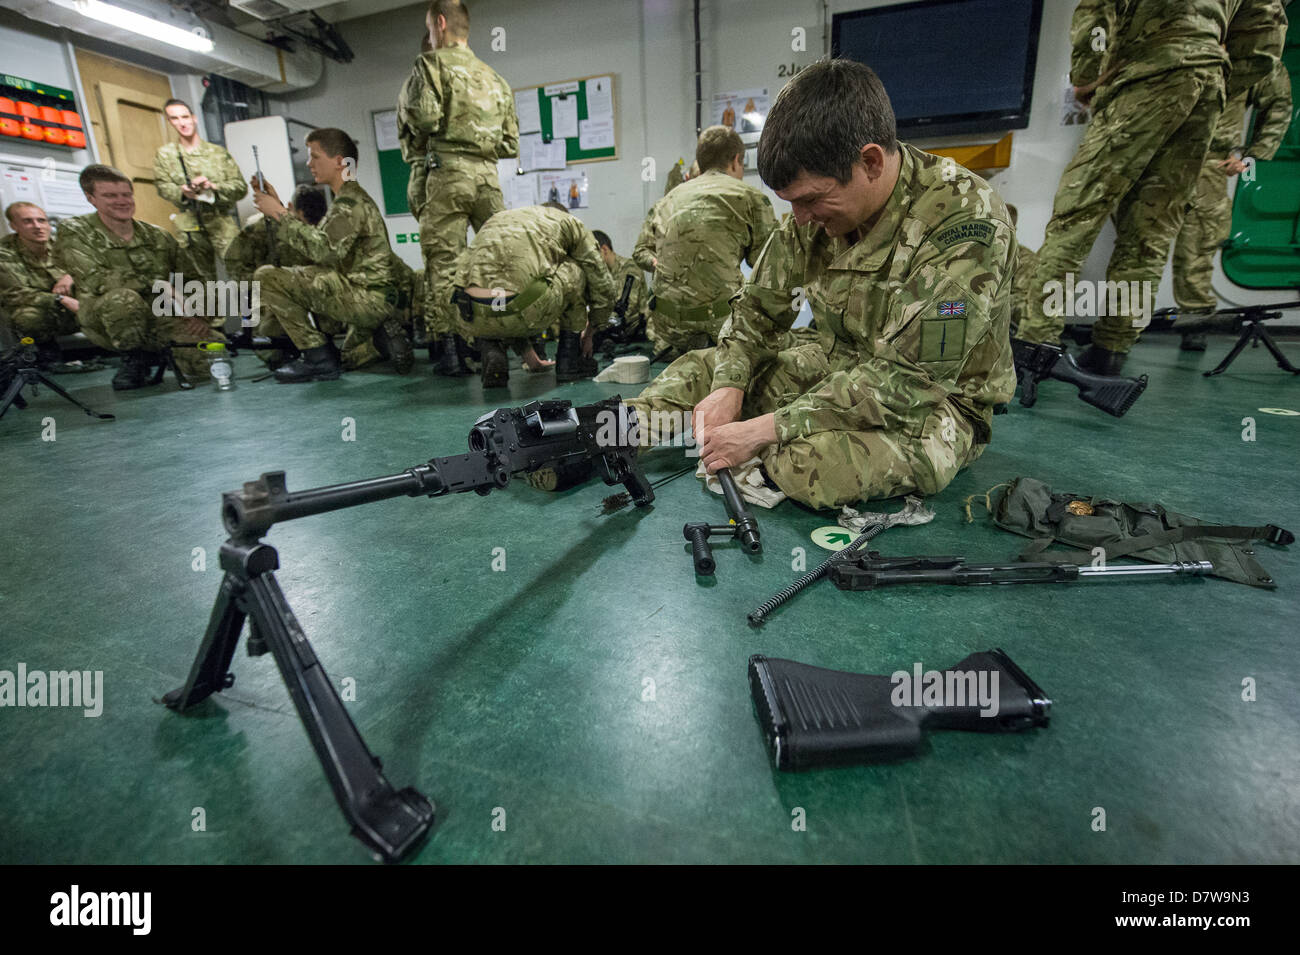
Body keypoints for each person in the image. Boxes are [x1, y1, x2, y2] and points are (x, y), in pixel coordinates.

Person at [621, 59, 1016, 510]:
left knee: (808, 465)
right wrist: (729, 387)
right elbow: (755, 313)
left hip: (935, 402)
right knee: (703, 372)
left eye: (811, 199)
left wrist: (764, 428)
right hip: (835, 363)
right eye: (791, 203)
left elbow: (910, 380)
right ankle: (599, 439)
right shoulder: (814, 213)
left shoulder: (964, 219)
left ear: (869, 162)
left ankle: (768, 455)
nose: (801, 219)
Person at [1014, 0, 1286, 381]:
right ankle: (1111, 349)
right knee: (1152, 232)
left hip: (1144, 74)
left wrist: (1087, 76)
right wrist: (1217, 74)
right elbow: (1265, 38)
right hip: (1208, 90)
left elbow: (1094, 9)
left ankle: (1034, 347)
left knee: (1076, 217)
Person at [397, 0, 519, 374]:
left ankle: (451, 352)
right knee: (496, 261)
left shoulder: (429, 64)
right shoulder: (496, 78)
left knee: (444, 263)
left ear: (440, 22)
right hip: (488, 178)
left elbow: (426, 117)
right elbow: (510, 144)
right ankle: (494, 341)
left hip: (447, 173)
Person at [251, 128, 412, 381]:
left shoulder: (350, 204)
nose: (309, 163)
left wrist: (279, 214)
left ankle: (317, 357)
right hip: (369, 297)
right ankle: (376, 341)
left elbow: (322, 251)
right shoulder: (347, 200)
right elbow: (319, 244)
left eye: (315, 156)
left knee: (267, 277)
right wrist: (278, 205)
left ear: (338, 161)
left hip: (365, 299)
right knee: (347, 358)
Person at [54, 165, 215, 389]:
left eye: (126, 195)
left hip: (157, 312)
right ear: (91, 198)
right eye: (110, 195)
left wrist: (199, 315)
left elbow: (191, 278)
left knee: (212, 357)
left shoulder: (157, 235)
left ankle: (160, 352)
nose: (122, 201)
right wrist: (161, 286)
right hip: (106, 316)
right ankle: (134, 359)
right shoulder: (75, 231)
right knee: (124, 299)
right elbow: (96, 279)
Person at [1171, 58, 1292, 350]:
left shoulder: (1252, 50)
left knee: (1200, 241)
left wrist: (1252, 155)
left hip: (1210, 160)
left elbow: (1279, 101)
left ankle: (1196, 318)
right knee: (1137, 245)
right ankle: (1120, 326)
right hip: (1153, 152)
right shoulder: (1177, 35)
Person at [633, 126, 776, 356]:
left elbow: (640, 250)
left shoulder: (666, 200)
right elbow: (768, 266)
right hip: (720, 322)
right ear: (736, 160)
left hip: (668, 326)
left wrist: (662, 265)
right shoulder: (750, 197)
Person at [453, 201, 615, 387]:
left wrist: (530, 357)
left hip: (469, 314)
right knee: (575, 269)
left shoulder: (498, 219)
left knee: (501, 287)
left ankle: (492, 348)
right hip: (519, 309)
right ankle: (569, 360)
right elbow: (602, 283)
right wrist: (591, 331)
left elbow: (502, 297)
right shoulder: (569, 222)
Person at [152, 98, 247, 301]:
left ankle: (256, 326)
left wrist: (214, 187)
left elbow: (240, 188)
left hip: (221, 219)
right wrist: (182, 191)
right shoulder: (165, 155)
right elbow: (162, 186)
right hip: (189, 223)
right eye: (175, 118)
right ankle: (214, 329)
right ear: (170, 122)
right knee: (199, 282)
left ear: (194, 118)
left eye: (185, 116)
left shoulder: (218, 153)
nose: (182, 122)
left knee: (242, 273)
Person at [0, 202, 79, 365]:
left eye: (42, 221)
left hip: (75, 307)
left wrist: (70, 275)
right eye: (28, 221)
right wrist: (60, 299)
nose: (37, 226)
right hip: (44, 311)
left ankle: (130, 354)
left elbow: (92, 269)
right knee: (28, 317)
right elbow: (16, 293)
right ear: (14, 226)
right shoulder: (5, 253)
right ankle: (48, 355)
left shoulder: (63, 246)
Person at [591, 229, 649, 342]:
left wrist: (592, 327)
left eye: (591, 255)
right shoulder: (600, 273)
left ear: (604, 249)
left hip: (632, 333)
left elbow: (623, 312)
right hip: (609, 331)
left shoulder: (630, 269)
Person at [1005, 203, 1038, 335]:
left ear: (1013, 230)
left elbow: (1021, 299)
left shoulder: (1025, 258)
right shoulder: (981, 252)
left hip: (1007, 315)